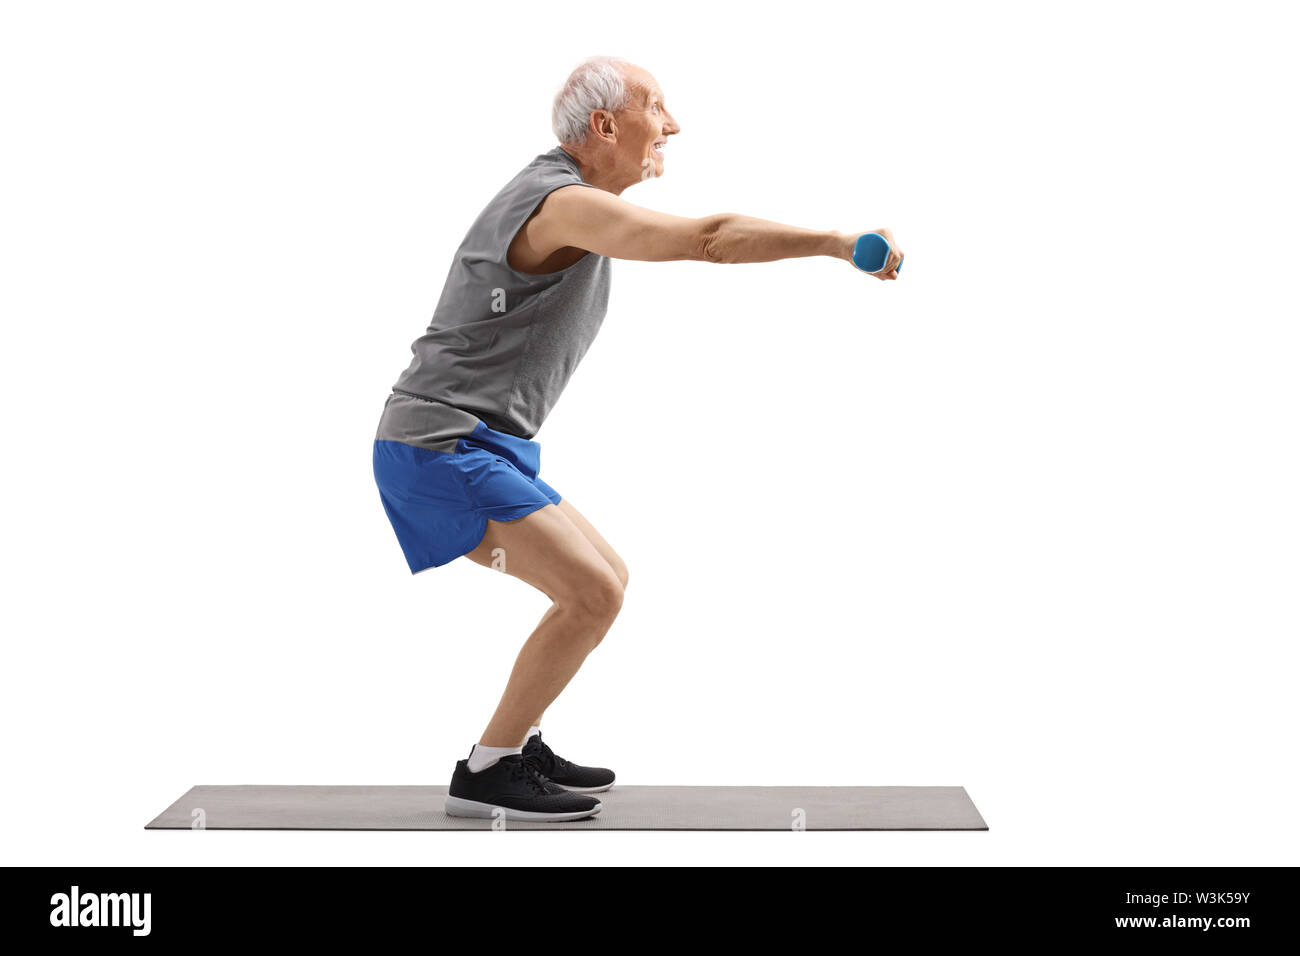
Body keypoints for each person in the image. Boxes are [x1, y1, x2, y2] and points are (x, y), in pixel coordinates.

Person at [373, 56, 904, 822]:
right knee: (593, 594)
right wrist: (833, 241)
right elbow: (711, 239)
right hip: (438, 445)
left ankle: (516, 740)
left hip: (473, 443)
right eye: (657, 107)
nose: (674, 125)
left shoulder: (561, 195)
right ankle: (487, 769)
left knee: (604, 576)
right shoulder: (561, 204)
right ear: (605, 126)